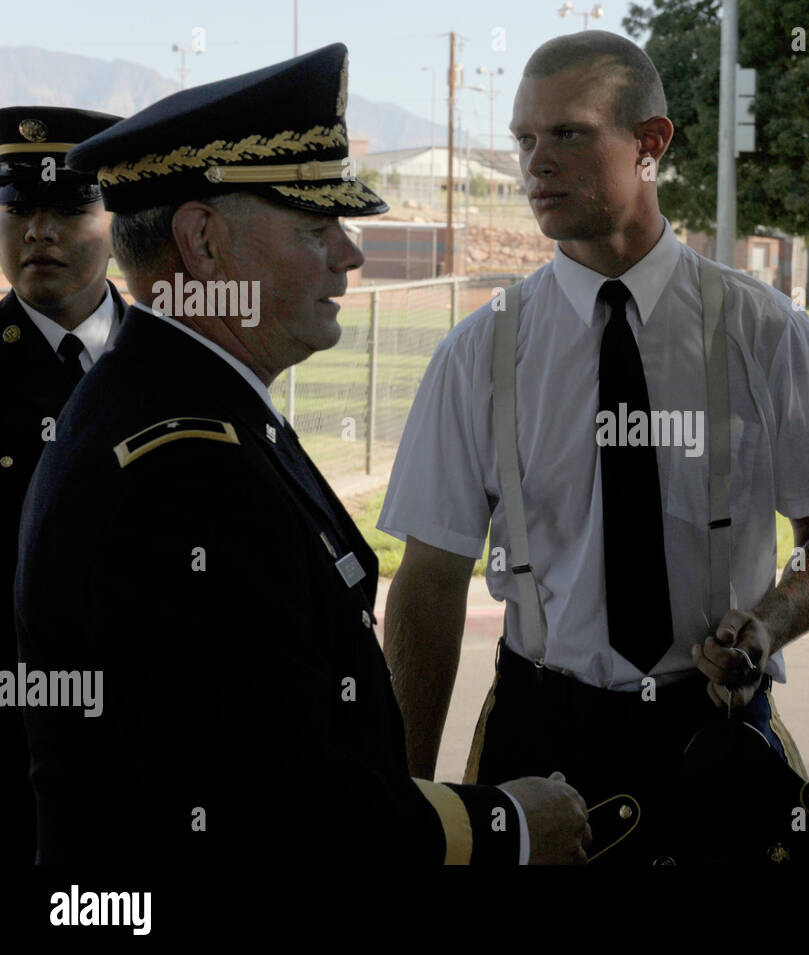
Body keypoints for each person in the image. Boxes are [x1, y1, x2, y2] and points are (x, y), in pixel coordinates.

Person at [15, 43, 588, 865]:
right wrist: (510, 825)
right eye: (317, 226)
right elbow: (277, 804)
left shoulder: (191, 410)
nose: (350, 254)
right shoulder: (184, 468)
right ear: (204, 243)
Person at [379, 30, 809, 837]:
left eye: (567, 133)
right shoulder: (479, 351)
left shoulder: (767, 333)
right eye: (525, 139)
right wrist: (405, 814)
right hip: (539, 744)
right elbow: (428, 586)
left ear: (650, 144)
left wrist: (771, 620)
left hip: (716, 741)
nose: (535, 163)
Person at [0, 106, 124, 864]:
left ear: (119, 215)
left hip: (151, 757)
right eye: (18, 207)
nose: (38, 229)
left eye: (70, 205)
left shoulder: (179, 369)